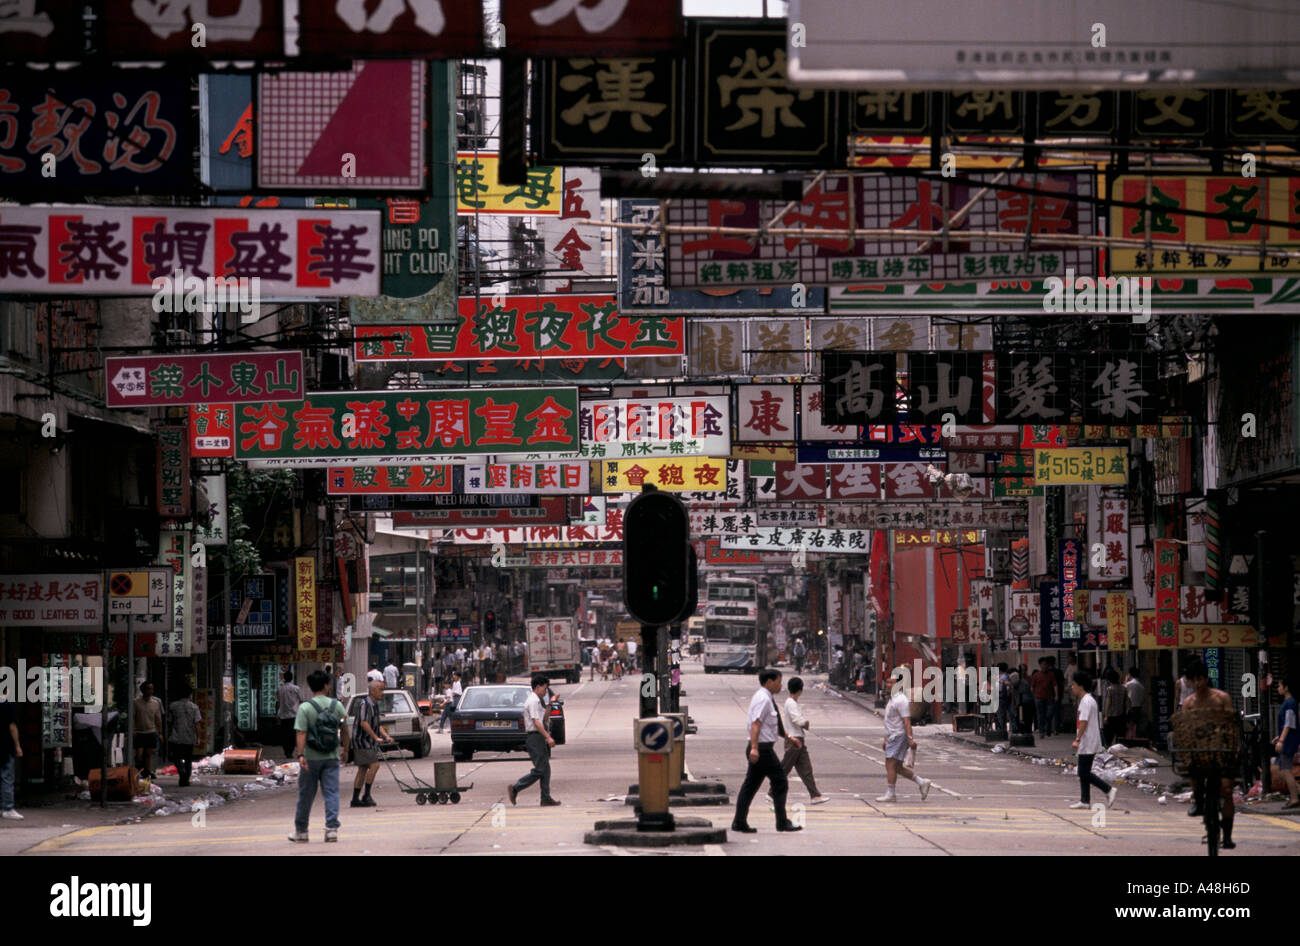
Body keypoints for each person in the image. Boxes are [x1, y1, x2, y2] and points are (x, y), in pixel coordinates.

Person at [731, 669, 800, 833]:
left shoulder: (767, 698)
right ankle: (782, 822)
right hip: (762, 749)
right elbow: (756, 724)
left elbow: (773, 725)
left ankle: (739, 821)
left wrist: (789, 737)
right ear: (769, 682)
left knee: (750, 786)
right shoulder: (763, 699)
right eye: (778, 682)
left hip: (761, 747)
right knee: (780, 781)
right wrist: (754, 748)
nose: (781, 685)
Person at [1178, 657, 1237, 848]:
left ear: (1206, 678)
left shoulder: (1222, 698)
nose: (1198, 683)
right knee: (1193, 774)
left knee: (1226, 790)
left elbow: (1231, 724)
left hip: (1221, 752)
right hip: (1199, 753)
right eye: (1193, 680)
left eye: (1200, 678)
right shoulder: (1188, 703)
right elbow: (1185, 728)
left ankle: (1227, 835)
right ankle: (1198, 800)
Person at [289, 669, 350, 843]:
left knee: (306, 795)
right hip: (331, 757)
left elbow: (301, 733)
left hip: (310, 758)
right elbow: (345, 730)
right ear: (326, 685)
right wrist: (346, 750)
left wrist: (301, 755)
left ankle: (302, 832)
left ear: (311, 687)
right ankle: (331, 830)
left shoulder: (305, 708)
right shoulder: (337, 706)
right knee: (331, 793)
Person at [506, 675, 560, 808]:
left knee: (546, 769)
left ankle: (546, 798)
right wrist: (548, 737)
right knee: (540, 769)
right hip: (534, 737)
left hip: (538, 737)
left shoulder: (538, 700)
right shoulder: (533, 701)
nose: (545, 692)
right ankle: (516, 788)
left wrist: (550, 703)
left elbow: (544, 718)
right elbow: (536, 722)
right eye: (544, 688)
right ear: (538, 687)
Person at [878, 669, 932, 802]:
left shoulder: (901, 700)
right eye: (887, 682)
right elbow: (890, 721)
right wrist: (885, 738)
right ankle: (922, 782)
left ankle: (891, 794)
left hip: (898, 736)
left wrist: (910, 739)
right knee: (896, 767)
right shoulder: (892, 699)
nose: (888, 685)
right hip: (892, 736)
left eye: (892, 683)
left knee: (890, 765)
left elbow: (907, 721)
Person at [1070, 671, 1118, 811]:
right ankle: (1085, 800)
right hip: (1088, 740)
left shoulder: (1086, 701)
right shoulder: (1088, 700)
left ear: (1080, 686)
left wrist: (1077, 739)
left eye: (1074, 684)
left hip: (1087, 741)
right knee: (1083, 771)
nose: (1072, 687)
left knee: (1083, 772)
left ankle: (1108, 789)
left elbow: (1083, 722)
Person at [779, 677, 826, 804]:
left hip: (798, 738)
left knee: (806, 769)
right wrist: (806, 723)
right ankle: (772, 793)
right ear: (800, 690)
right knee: (785, 768)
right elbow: (797, 720)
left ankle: (815, 795)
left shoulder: (791, 702)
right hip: (794, 739)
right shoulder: (791, 703)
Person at [350, 680, 392, 808]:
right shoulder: (365, 704)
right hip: (362, 740)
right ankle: (366, 795)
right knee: (374, 765)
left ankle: (355, 798)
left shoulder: (375, 705)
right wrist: (375, 737)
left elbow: (377, 724)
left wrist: (386, 736)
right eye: (380, 689)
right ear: (372, 691)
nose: (382, 692)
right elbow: (363, 723)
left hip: (369, 741)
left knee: (363, 769)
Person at [1272, 676, 1300, 809]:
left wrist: (1281, 740)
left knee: (1286, 770)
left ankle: (1294, 798)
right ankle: (1296, 793)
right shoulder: (1289, 703)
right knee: (1282, 768)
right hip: (1287, 739)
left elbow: (1289, 724)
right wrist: (1279, 737)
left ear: (1286, 688)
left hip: (1288, 741)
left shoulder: (1290, 703)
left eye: (1279, 686)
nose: (1278, 688)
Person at [166, 683, 201, 789]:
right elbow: (197, 724)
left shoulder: (173, 706)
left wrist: (168, 734)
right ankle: (185, 778)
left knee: (177, 757)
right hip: (189, 737)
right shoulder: (194, 707)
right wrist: (198, 737)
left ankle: (181, 771)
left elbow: (169, 722)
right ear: (190, 694)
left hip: (176, 736)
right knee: (188, 758)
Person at [133, 681, 164, 778]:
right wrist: (133, 730)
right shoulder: (136, 702)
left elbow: (158, 719)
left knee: (148, 754)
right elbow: (133, 717)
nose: (151, 691)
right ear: (143, 690)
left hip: (151, 731)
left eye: (152, 689)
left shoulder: (155, 703)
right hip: (139, 732)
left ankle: (147, 772)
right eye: (148, 689)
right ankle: (139, 769)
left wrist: (160, 733)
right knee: (139, 755)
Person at [0, 698, 21, 820]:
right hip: (5, 746)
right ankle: (7, 808)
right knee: (7, 777)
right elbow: (12, 727)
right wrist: (17, 745)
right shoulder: (7, 705)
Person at [277, 670, 302, 759]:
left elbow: (277, 702)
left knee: (284, 734)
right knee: (292, 734)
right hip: (293, 715)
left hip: (283, 715)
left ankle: (286, 751)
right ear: (291, 678)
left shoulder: (280, 689)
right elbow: (301, 700)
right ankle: (290, 752)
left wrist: (276, 714)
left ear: (284, 678)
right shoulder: (296, 688)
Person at [1031, 658, 1058, 736]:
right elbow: (1032, 687)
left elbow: (1055, 685)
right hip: (1039, 698)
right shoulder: (1036, 675)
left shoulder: (1051, 674)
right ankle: (1041, 731)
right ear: (1040, 665)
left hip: (1049, 698)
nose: (1044, 666)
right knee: (1040, 715)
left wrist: (1056, 695)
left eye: (1046, 664)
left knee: (1049, 714)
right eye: (1043, 664)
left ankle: (1048, 728)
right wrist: (1034, 696)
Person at [1101, 668, 1128, 747]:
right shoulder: (1124, 688)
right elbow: (1127, 701)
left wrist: (1106, 716)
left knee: (1108, 737)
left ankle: (1108, 751)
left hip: (1111, 717)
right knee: (1120, 737)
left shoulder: (1110, 689)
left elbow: (1108, 703)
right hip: (1121, 716)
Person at [1124, 667, 1147, 741]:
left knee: (1130, 727)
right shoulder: (1141, 686)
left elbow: (1122, 690)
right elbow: (1143, 700)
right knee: (1136, 727)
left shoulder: (1128, 684)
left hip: (1130, 708)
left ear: (1129, 674)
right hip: (1139, 708)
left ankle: (1129, 740)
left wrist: (1125, 680)